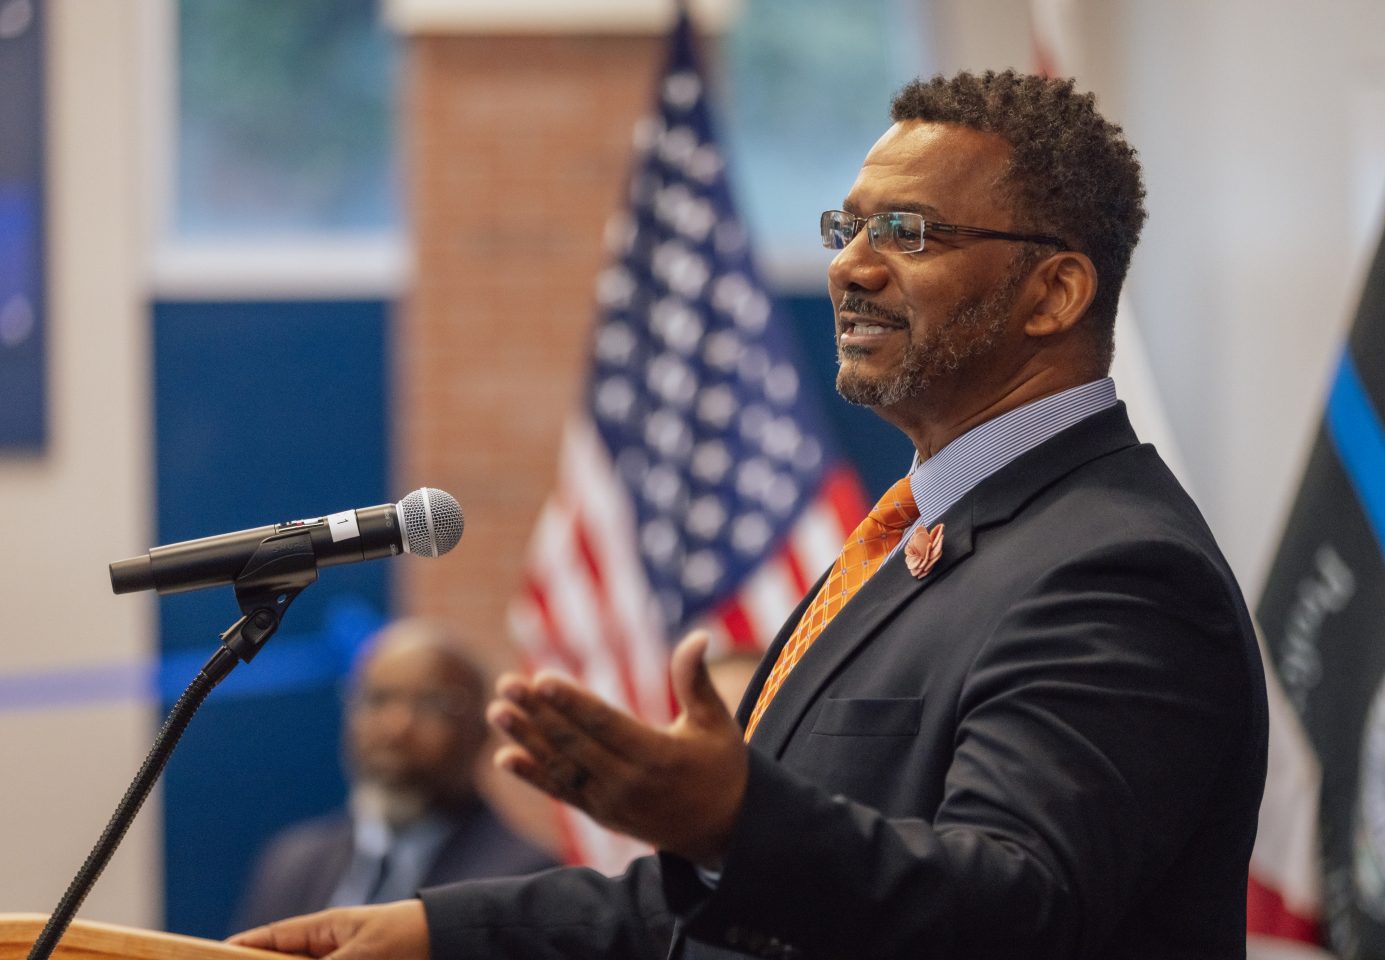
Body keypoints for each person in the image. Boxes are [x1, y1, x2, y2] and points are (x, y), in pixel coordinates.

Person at [232, 69, 1267, 960]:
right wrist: (436, 932)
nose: (850, 265)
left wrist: (736, 820)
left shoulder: (1117, 568)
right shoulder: (909, 543)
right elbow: (721, 908)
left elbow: (1015, 907)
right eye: (847, 227)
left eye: (907, 232)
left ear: (1054, 294)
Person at [231, 619, 557, 931]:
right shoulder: (292, 864)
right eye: (377, 699)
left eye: (431, 704)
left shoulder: (524, 883)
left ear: (481, 734)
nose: (396, 727)